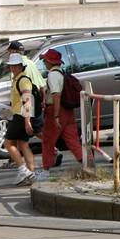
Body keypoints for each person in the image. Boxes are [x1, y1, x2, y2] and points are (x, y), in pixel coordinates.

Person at [40, 48, 84, 177]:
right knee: (73, 140)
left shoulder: (53, 75)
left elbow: (56, 95)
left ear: (50, 62)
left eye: (45, 61)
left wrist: (56, 115)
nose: (44, 63)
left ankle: (45, 171)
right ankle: (88, 163)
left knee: (48, 141)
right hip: (68, 110)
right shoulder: (63, 73)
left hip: (56, 109)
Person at [5, 53, 41, 186]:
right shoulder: (17, 80)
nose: (13, 68)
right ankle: (31, 173)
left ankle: (22, 170)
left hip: (21, 116)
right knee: (23, 144)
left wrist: (27, 120)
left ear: (21, 66)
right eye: (11, 66)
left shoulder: (23, 80)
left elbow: (27, 100)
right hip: (19, 115)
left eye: (16, 66)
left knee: (8, 143)